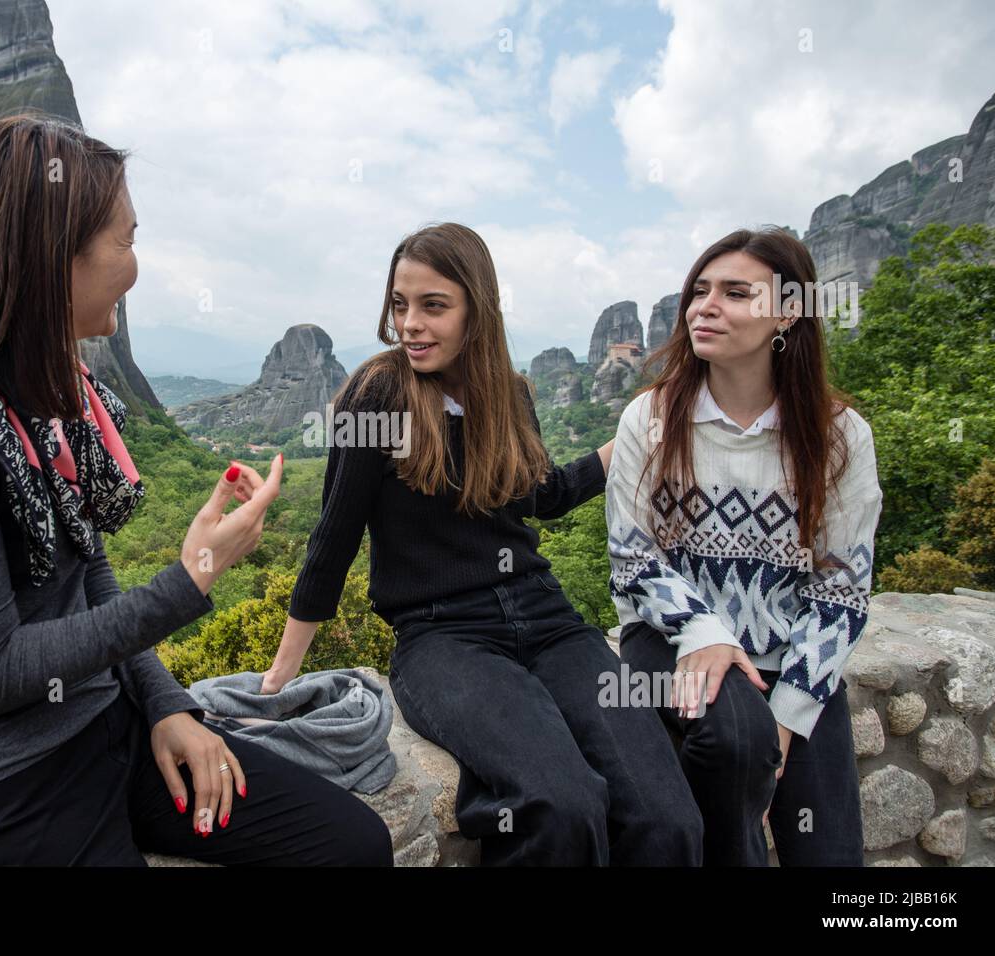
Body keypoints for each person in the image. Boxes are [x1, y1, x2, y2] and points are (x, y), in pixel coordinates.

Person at [0, 113, 392, 866]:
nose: (137, 265)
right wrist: (192, 578)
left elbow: (89, 579)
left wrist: (167, 704)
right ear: (53, 258)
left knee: (350, 845)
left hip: (110, 726)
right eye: (126, 240)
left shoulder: (44, 400)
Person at [264, 222, 703, 866]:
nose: (410, 324)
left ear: (477, 308)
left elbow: (540, 496)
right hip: (443, 640)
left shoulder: (509, 393)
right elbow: (332, 543)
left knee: (669, 816)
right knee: (562, 802)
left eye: (433, 306)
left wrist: (630, 440)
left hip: (551, 624)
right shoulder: (377, 394)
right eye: (400, 305)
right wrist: (278, 682)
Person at [608, 227, 881, 866]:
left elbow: (841, 587)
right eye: (700, 291)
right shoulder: (650, 418)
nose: (706, 306)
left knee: (830, 854)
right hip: (671, 640)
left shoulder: (839, 437)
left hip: (788, 654)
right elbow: (632, 556)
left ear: (787, 312)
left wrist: (788, 713)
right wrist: (703, 628)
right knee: (734, 753)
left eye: (735, 293)